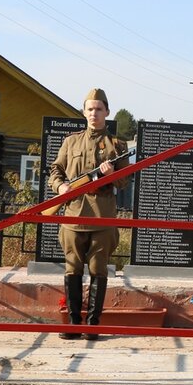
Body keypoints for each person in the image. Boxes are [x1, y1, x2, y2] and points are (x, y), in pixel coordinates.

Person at [49, 88, 130, 341]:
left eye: (99, 109)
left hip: (102, 216)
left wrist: (111, 174)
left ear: (107, 112)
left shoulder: (117, 145)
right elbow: (56, 170)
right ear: (84, 112)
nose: (94, 113)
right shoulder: (71, 142)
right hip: (74, 214)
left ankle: (93, 324)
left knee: (98, 270)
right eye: (90, 109)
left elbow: (124, 182)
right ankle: (74, 322)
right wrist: (60, 187)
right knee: (72, 268)